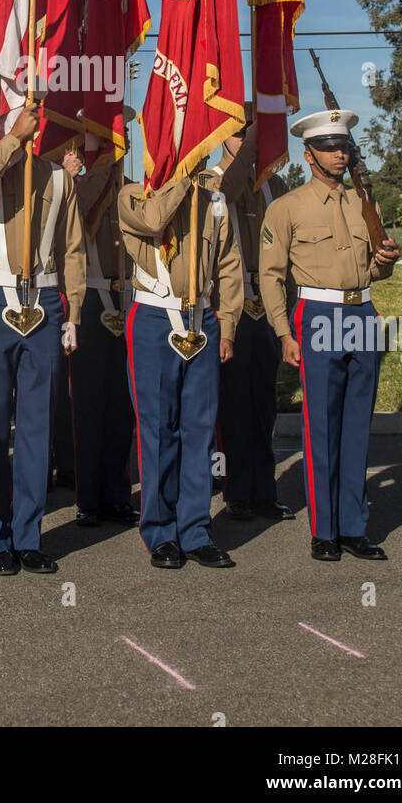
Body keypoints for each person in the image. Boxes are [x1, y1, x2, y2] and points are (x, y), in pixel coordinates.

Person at [259, 109, 401, 562]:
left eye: (343, 147)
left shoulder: (364, 201)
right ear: (310, 154)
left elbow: (375, 271)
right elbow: (270, 276)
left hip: (362, 312)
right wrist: (284, 332)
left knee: (358, 426)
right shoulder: (287, 208)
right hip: (317, 313)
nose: (340, 154)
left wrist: (387, 260)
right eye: (329, 147)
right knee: (321, 424)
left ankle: (354, 527)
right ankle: (325, 530)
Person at [0, 99, 85, 576]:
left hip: (46, 302)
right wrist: (12, 143)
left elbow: (73, 249)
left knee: (36, 425)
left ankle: (28, 535)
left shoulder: (57, 178)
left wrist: (75, 314)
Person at [119, 169, 243, 569]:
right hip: (155, 317)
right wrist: (181, 180)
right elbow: (155, 221)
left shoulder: (215, 201)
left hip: (202, 319)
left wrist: (228, 324)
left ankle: (195, 529)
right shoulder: (133, 196)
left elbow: (228, 266)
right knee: (157, 430)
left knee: (199, 429)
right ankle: (160, 531)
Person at [211, 108, 294, 523]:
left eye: (250, 131)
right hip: (232, 304)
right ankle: (235, 490)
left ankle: (264, 489)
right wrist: (254, 141)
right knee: (232, 407)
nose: (245, 138)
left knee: (265, 404)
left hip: (268, 301)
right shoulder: (214, 181)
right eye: (238, 132)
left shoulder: (272, 185)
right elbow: (228, 190)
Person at [62, 147, 136, 529]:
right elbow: (69, 219)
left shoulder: (132, 189)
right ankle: (88, 498)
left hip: (127, 297)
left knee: (121, 407)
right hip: (90, 298)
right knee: (89, 406)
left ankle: (118, 495)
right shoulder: (74, 188)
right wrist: (95, 171)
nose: (119, 147)